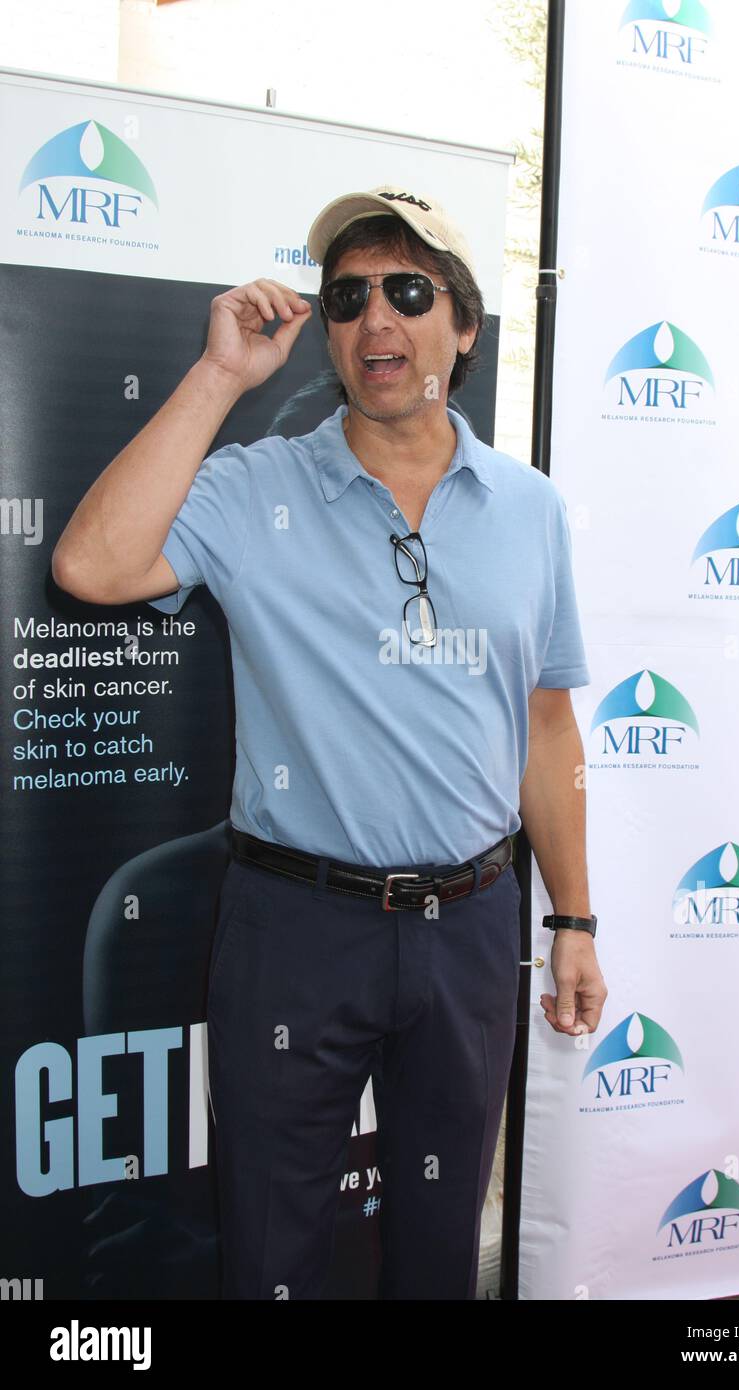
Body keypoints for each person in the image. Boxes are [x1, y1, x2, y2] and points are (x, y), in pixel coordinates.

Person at [52, 184, 608, 1301]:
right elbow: (93, 568)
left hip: (469, 929)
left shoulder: (530, 508)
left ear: (463, 326)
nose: (375, 321)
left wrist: (574, 919)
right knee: (272, 1246)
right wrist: (220, 377)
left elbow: (546, 728)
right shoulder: (257, 487)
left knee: (438, 1243)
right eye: (347, 297)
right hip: (294, 930)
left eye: (408, 291)